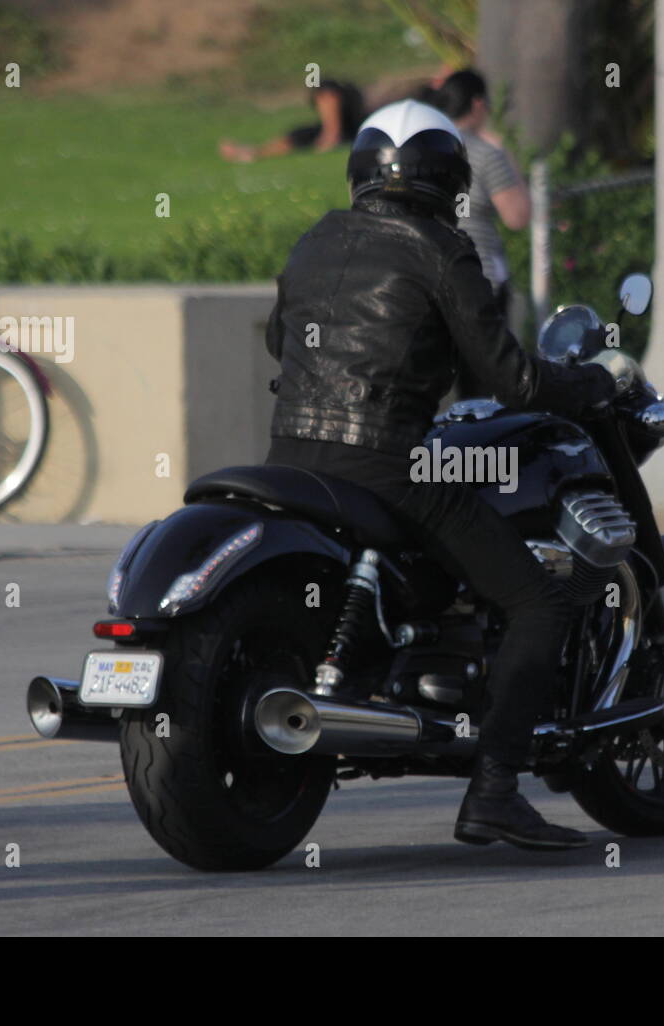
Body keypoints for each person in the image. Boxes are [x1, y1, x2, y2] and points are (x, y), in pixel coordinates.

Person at [262, 99, 619, 850]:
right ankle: (495, 792)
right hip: (387, 465)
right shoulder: (441, 248)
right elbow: (512, 379)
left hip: (293, 461)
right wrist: (589, 386)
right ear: (450, 180)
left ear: (360, 170)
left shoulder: (316, 239)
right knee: (539, 603)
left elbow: (278, 339)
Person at [428, 69, 531, 397]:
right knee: (484, 387)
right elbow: (517, 216)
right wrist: (505, 153)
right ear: (477, 104)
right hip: (481, 276)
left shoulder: (426, 148)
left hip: (428, 273)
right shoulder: (486, 154)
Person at [220, 79, 364, 163]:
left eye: (330, 101)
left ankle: (252, 152)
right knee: (298, 136)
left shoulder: (362, 127)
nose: (326, 107)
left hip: (346, 129)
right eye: (322, 102)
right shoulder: (308, 133)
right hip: (324, 134)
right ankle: (252, 152)